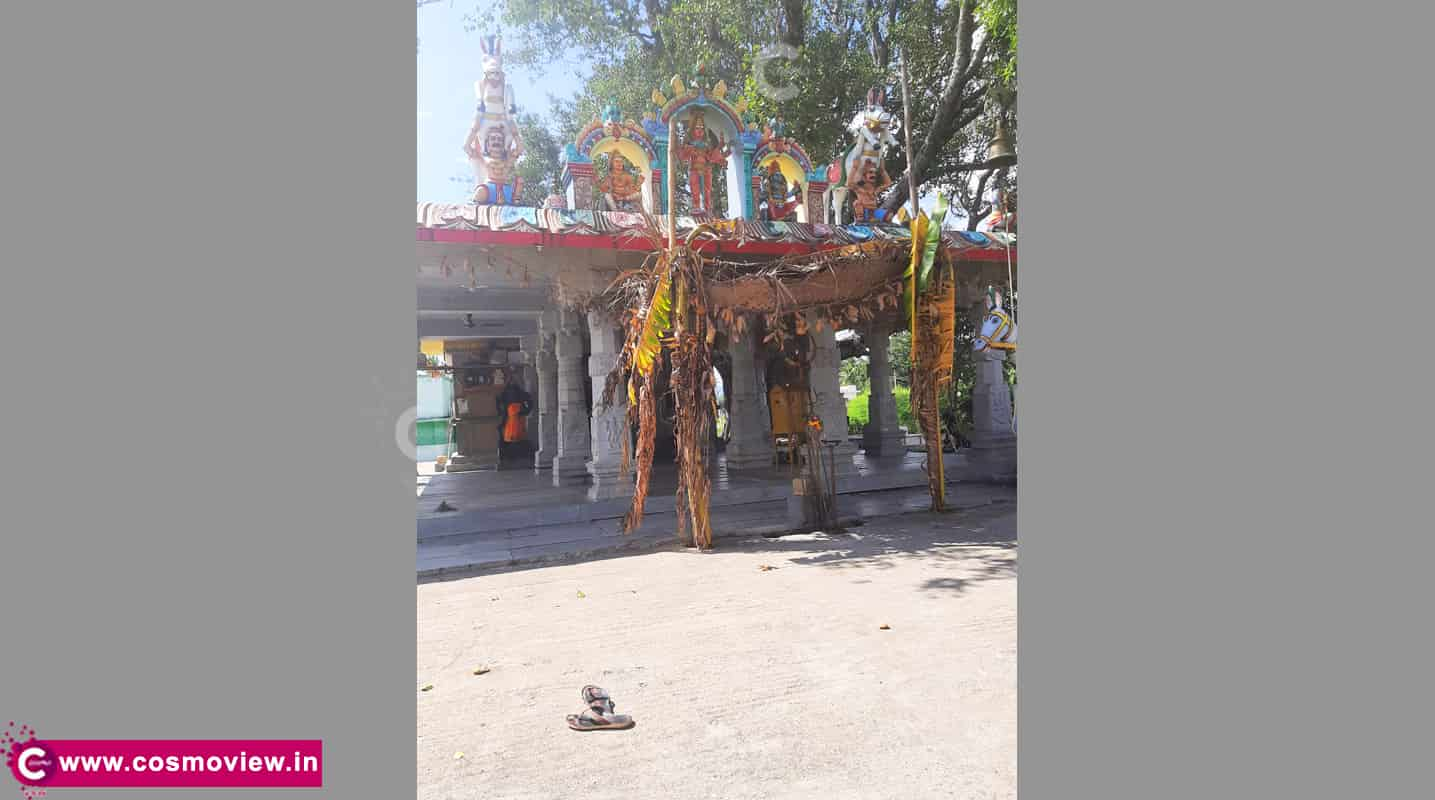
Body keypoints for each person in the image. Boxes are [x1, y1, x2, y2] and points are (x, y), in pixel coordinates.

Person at [495, 372, 532, 464]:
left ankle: (515, 456)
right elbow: (498, 401)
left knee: (516, 437)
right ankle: (509, 457)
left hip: (517, 418)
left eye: (513, 380)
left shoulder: (519, 393)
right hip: (510, 417)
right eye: (510, 380)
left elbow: (529, 401)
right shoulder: (506, 393)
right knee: (510, 437)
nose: (512, 382)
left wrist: (525, 411)